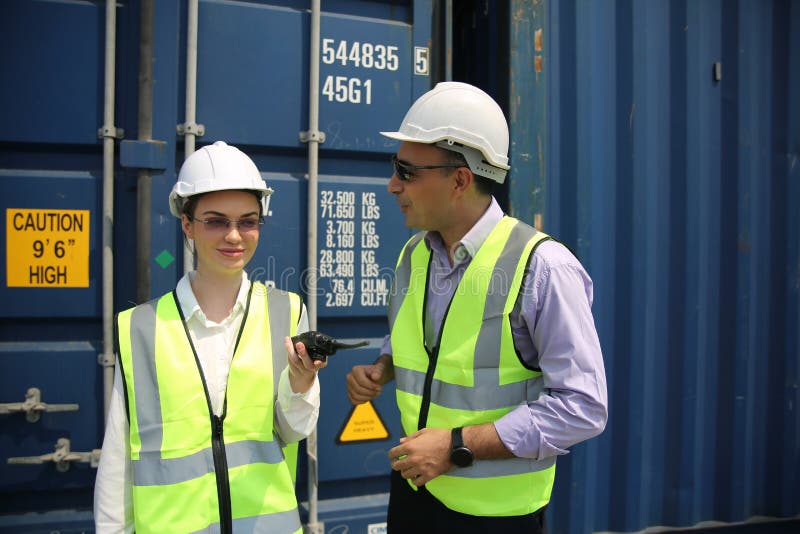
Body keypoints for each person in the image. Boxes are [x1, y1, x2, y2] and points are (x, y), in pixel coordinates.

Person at [346, 82, 608, 533]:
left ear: (460, 180)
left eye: (406, 171)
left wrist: (454, 447)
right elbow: (427, 342)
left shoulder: (543, 268)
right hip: (413, 493)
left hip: (495, 517)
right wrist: (383, 367)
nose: (392, 185)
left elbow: (582, 407)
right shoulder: (414, 255)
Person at [94, 141, 324, 533]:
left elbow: (293, 432)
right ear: (187, 224)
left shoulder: (287, 311)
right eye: (216, 221)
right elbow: (118, 463)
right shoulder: (141, 328)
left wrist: (301, 386)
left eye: (248, 221)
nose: (234, 236)